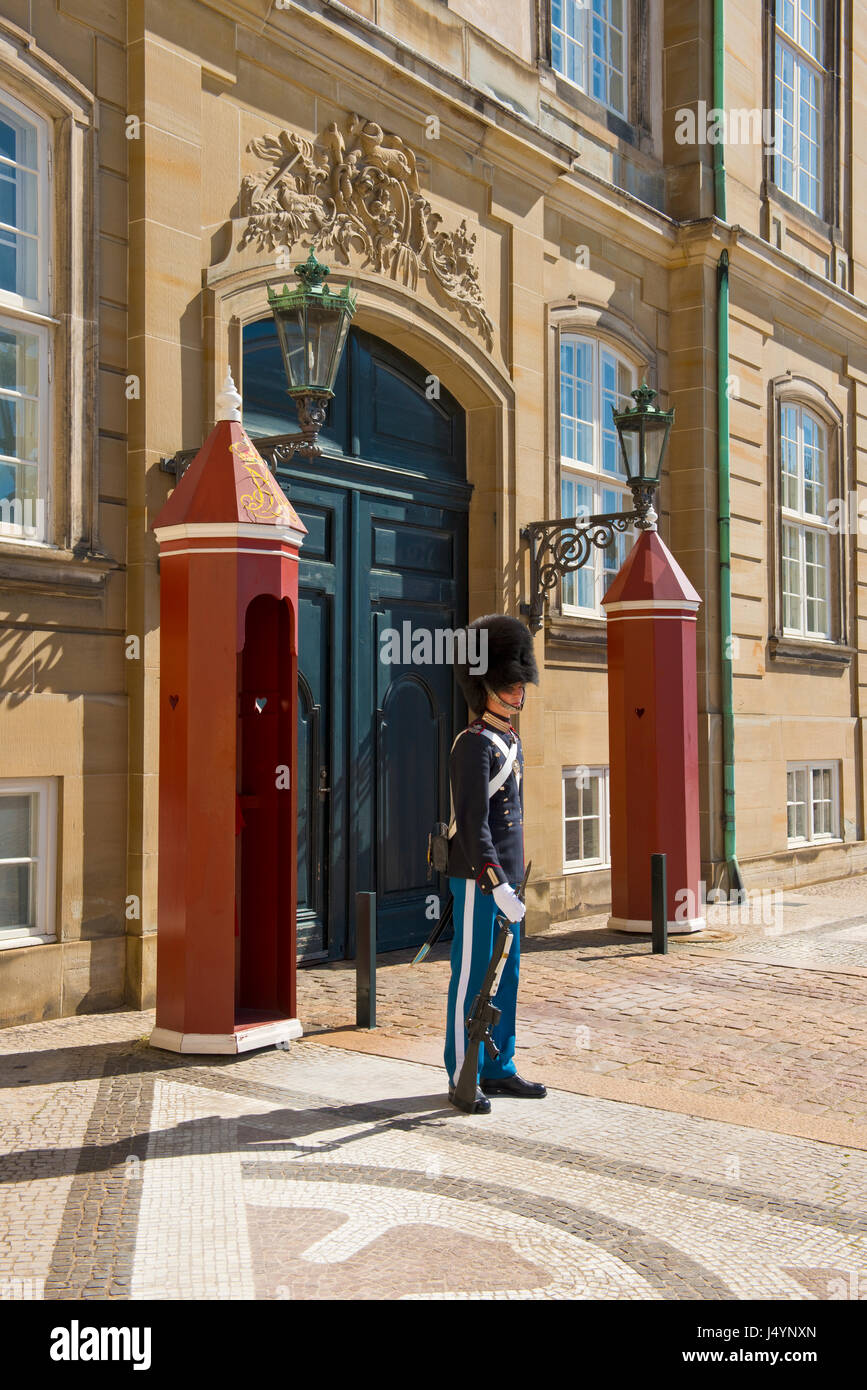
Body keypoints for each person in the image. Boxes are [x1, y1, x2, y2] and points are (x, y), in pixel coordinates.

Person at [444, 614, 547, 1114]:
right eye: (510, 684)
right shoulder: (474, 744)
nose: (519, 692)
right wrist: (494, 881)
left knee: (506, 977)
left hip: (508, 883)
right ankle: (461, 1071)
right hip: (479, 880)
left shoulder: (510, 740)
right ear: (486, 687)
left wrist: (512, 884)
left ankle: (498, 1065)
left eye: (519, 682)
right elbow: (473, 821)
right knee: (470, 977)